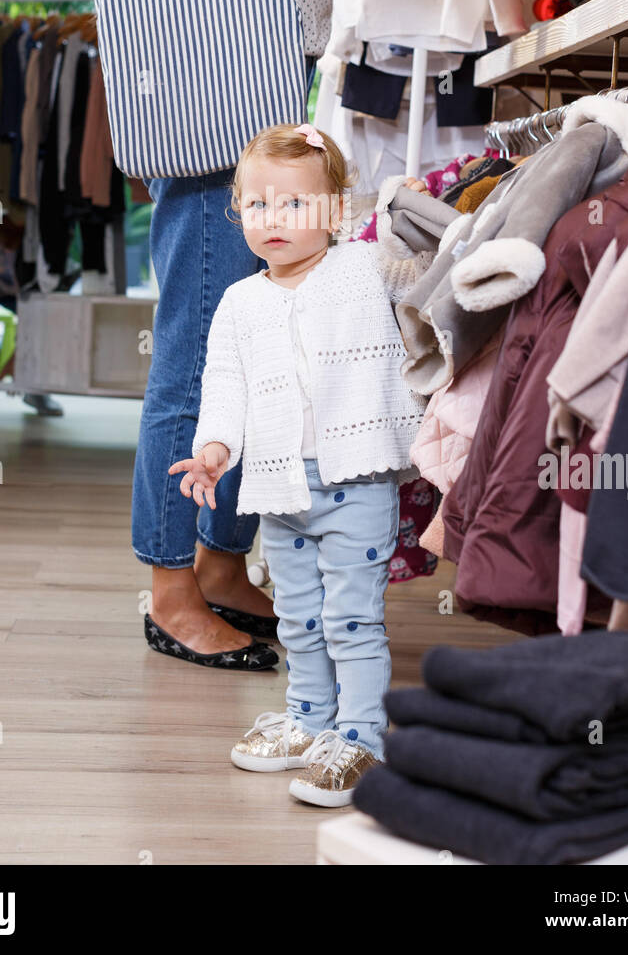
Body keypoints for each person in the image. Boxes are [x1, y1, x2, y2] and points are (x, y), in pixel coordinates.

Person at [76, 0, 503, 669]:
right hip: (218, 125)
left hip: (269, 106)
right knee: (193, 362)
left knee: (258, 348)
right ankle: (169, 586)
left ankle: (222, 565)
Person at [169, 123, 434, 804]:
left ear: (337, 212)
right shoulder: (240, 303)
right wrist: (214, 449)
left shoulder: (365, 269)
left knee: (353, 618)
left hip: (358, 483)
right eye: (258, 206)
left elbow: (426, 281)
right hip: (280, 490)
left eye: (294, 205)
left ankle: (362, 737)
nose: (274, 221)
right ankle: (308, 720)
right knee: (298, 617)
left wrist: (408, 214)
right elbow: (224, 387)